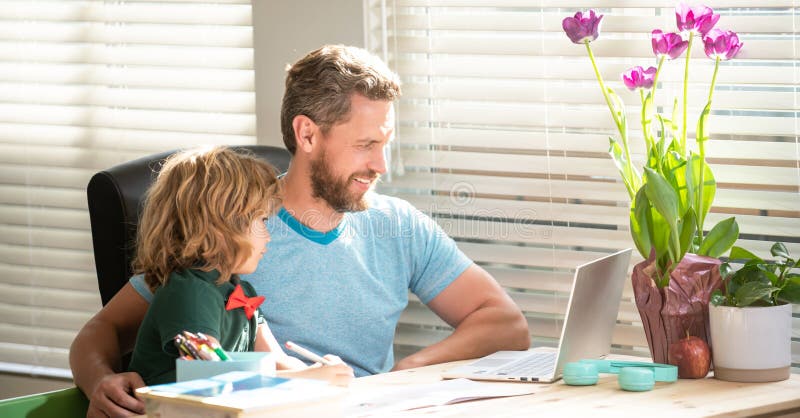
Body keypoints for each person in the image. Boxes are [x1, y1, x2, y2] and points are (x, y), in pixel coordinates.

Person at [70, 45, 530, 417]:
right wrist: (101, 381)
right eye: (366, 145)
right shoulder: (230, 230)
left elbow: (506, 323)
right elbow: (103, 330)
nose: (380, 165)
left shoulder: (398, 224)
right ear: (307, 134)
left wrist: (409, 369)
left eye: (385, 144)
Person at [125, 146, 352, 385]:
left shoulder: (240, 292)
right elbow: (214, 378)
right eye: (262, 220)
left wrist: (320, 370)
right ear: (222, 224)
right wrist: (306, 378)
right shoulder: (190, 292)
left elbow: (277, 361)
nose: (268, 236)